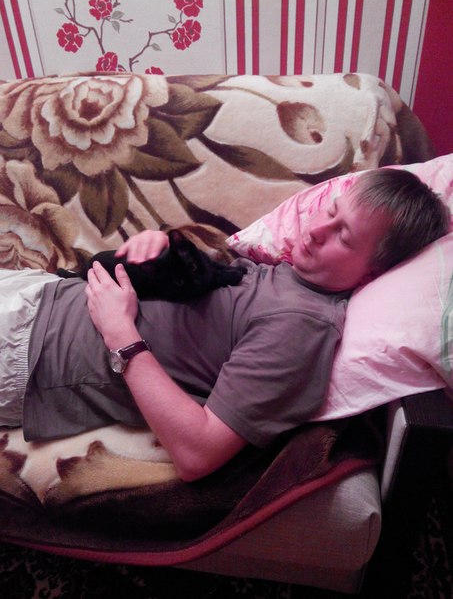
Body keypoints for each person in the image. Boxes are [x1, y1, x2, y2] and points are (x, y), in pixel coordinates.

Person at [0, 169, 450, 481]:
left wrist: (120, 333)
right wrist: (157, 250)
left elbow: (198, 453)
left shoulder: (301, 327)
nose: (316, 230)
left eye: (344, 236)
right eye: (329, 211)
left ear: (371, 273)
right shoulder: (285, 275)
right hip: (42, 292)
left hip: (29, 351)